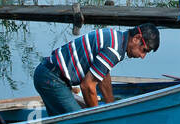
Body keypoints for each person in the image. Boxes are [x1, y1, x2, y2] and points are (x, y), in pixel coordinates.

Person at [32, 23, 160, 117]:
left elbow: (103, 75)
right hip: (51, 79)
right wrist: (97, 118)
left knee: (62, 121)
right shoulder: (114, 50)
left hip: (50, 75)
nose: (143, 56)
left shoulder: (115, 37)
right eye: (144, 50)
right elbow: (87, 86)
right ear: (136, 38)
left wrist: (111, 106)